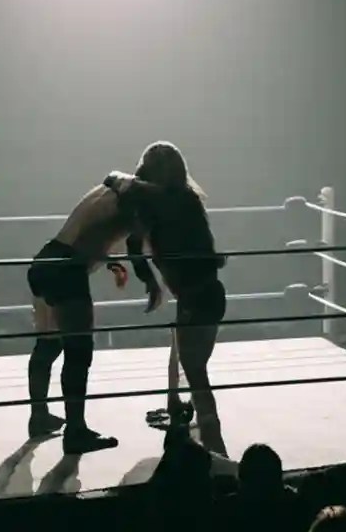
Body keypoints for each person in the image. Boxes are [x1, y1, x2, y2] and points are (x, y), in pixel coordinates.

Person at [25, 162, 161, 452]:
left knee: (48, 346)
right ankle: (75, 432)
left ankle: (38, 417)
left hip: (46, 260)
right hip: (67, 269)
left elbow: (88, 236)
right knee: (78, 351)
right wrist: (149, 279)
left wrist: (111, 262)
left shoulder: (113, 186)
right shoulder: (135, 198)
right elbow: (110, 244)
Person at [113, 141, 230, 456]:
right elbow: (134, 245)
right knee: (181, 352)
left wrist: (126, 182)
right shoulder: (162, 204)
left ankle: (216, 450)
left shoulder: (178, 200)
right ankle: (176, 409)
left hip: (201, 296)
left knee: (195, 372)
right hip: (200, 295)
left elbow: (122, 186)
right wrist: (150, 280)